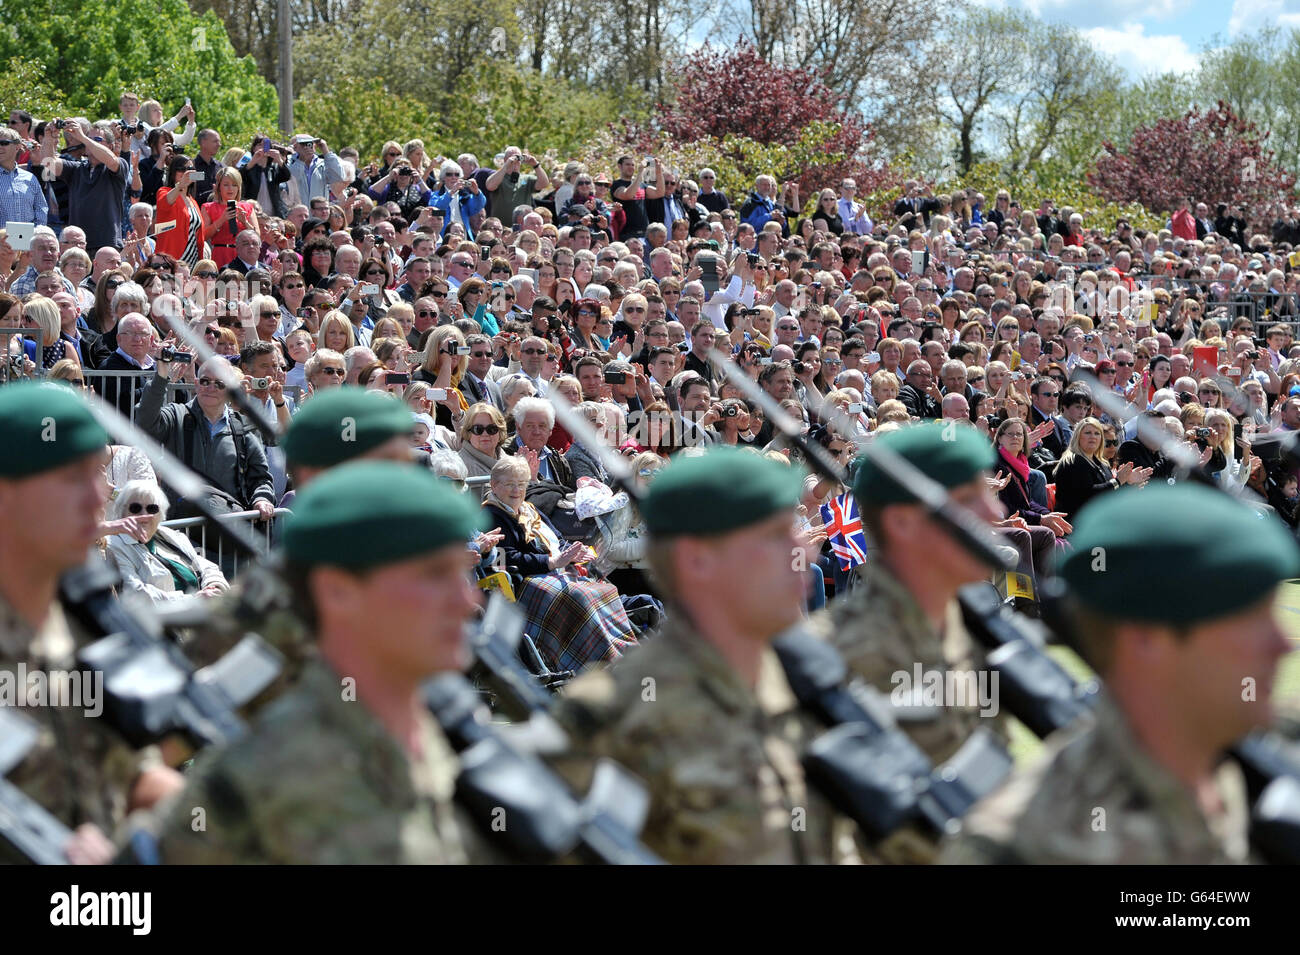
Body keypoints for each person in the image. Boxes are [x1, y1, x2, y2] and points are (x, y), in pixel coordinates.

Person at [943, 484, 1298, 863]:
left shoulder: (1266, 750)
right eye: (1248, 620)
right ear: (1145, 639)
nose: (1283, 645)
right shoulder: (1025, 846)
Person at [158, 462, 493, 863]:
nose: (468, 601)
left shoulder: (431, 730)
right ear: (338, 591)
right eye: (433, 575)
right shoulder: (267, 769)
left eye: (461, 573)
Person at [551, 447, 857, 863]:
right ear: (696, 560)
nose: (800, 550)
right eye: (770, 537)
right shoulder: (614, 716)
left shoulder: (808, 683)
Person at [804, 424, 1012, 862]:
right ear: (902, 521)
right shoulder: (826, 659)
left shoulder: (976, 634)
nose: (995, 513)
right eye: (967, 498)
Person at [0, 382, 183, 864]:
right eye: (70, 477)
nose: (99, 496)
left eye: (98, 474)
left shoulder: (88, 620)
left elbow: (136, 776)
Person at [483, 455, 637, 671]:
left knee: (603, 589)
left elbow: (557, 538)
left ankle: (624, 650)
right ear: (494, 485)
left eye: (521, 484)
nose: (516, 490)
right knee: (580, 595)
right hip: (524, 581)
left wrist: (572, 552)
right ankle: (602, 660)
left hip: (552, 569)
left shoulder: (528, 510)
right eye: (510, 484)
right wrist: (552, 561)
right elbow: (506, 559)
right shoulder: (492, 515)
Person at [135, 354, 275, 518]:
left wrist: (262, 499)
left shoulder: (244, 427)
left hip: (228, 528)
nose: (211, 387)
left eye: (220, 384)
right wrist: (160, 377)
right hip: (181, 526)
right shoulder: (176, 415)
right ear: (196, 384)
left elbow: (260, 478)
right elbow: (145, 421)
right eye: (205, 381)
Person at [104, 479, 229, 605]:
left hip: (199, 615)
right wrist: (194, 599)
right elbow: (135, 593)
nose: (144, 516)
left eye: (152, 509)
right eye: (135, 508)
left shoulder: (170, 535)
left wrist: (214, 587)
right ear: (121, 512)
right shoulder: (113, 545)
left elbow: (207, 567)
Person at [1052, 416, 1152, 519]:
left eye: (1097, 433)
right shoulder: (1072, 461)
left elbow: (1109, 495)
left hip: (1099, 519)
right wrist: (1118, 481)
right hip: (1077, 524)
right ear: (1077, 436)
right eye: (1087, 433)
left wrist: (1127, 483)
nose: (1093, 437)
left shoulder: (1102, 463)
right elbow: (1088, 495)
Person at [457, 401, 509, 500]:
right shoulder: (460, 465)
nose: (485, 434)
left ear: (500, 431)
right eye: (478, 429)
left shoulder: (509, 460)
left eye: (492, 429)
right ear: (468, 432)